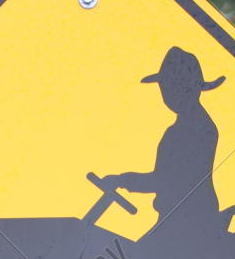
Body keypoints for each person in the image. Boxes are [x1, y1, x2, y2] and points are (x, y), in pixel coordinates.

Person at [96, 47, 225, 230]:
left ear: (187, 89)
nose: (166, 94)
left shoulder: (196, 130)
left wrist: (122, 180)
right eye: (164, 88)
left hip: (189, 220)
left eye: (171, 87)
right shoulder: (183, 127)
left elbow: (167, 180)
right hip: (177, 216)